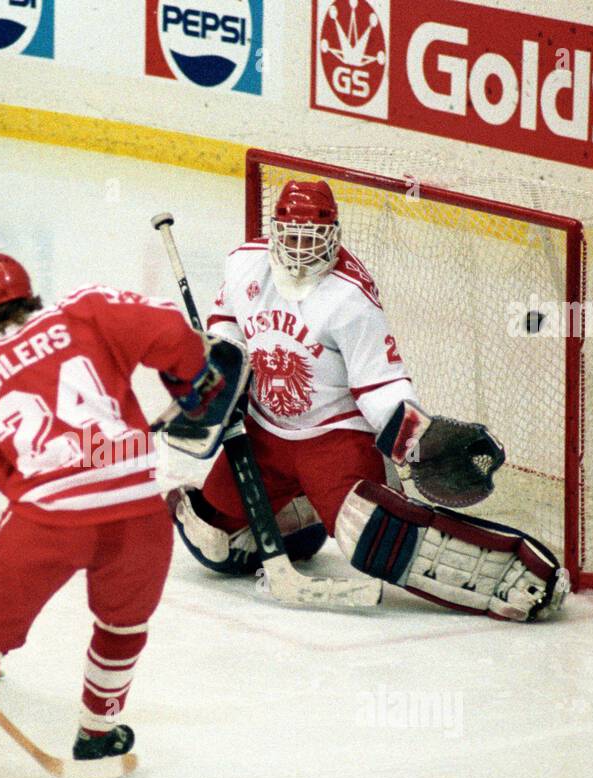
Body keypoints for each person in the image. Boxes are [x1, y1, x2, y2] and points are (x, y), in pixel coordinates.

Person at [0, 254, 227, 778]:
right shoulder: (86, 312)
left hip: (49, 515)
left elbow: (7, 477)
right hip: (136, 505)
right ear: (32, 294)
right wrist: (192, 376)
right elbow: (174, 334)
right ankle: (98, 734)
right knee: (121, 625)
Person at [171, 180, 567, 622]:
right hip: (264, 435)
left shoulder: (350, 296)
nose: (301, 249)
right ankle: (305, 516)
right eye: (291, 236)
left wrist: (418, 441)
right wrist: (224, 362)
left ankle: (514, 571)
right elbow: (227, 320)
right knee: (213, 542)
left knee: (371, 532)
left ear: (333, 235)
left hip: (334, 438)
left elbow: (379, 383)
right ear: (275, 231)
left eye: (312, 237)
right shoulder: (245, 263)